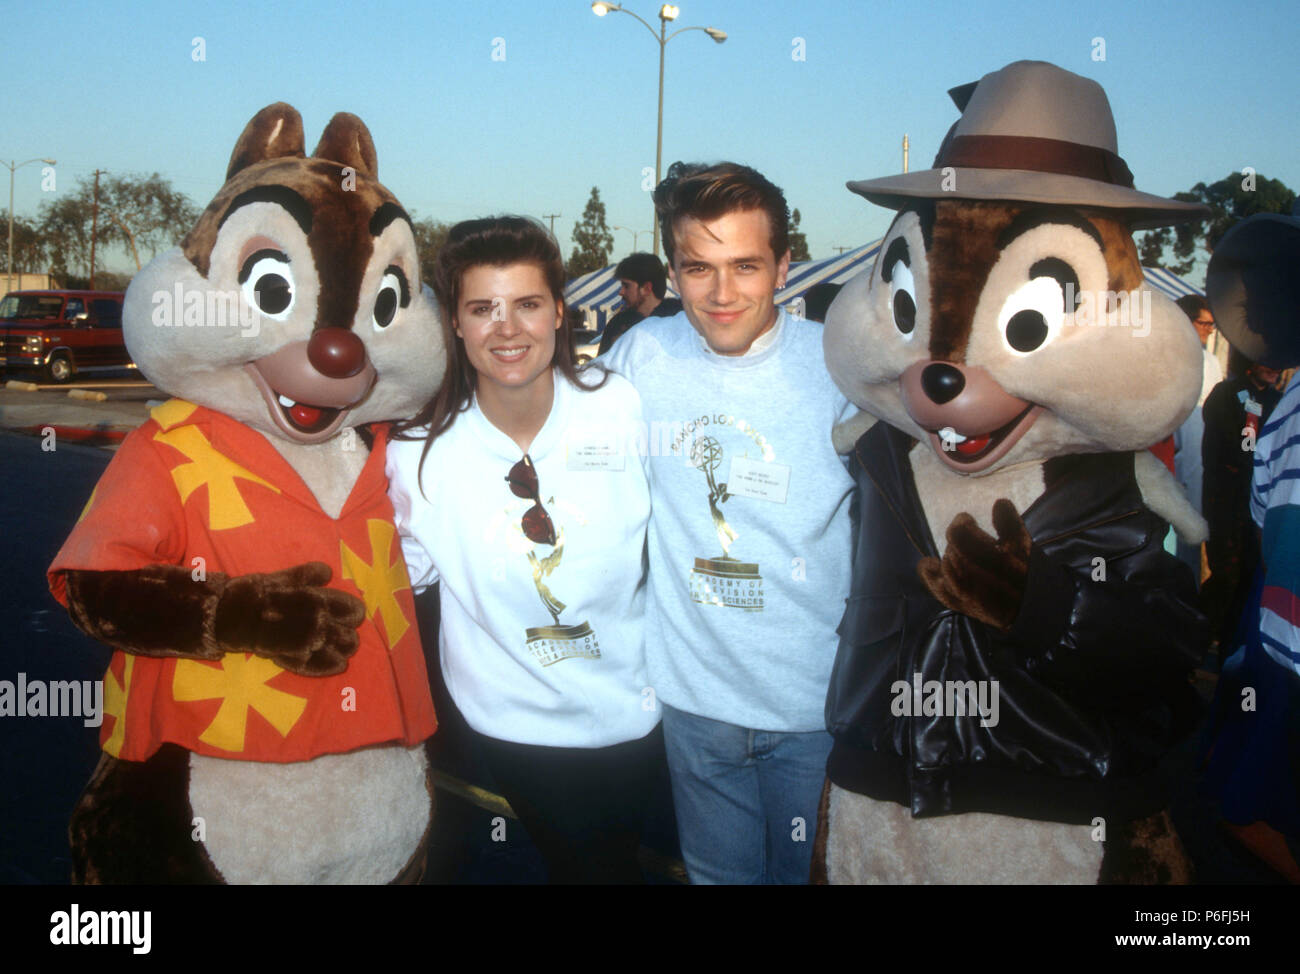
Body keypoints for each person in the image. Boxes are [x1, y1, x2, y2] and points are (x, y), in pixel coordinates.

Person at [601, 162, 855, 884]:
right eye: (697, 268)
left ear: (783, 266)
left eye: (745, 265)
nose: (720, 293)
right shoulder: (642, 355)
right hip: (695, 708)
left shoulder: (838, 365)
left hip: (818, 711)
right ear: (674, 271)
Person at [387, 216, 659, 883]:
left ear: (561, 311)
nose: (507, 328)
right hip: (516, 729)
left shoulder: (623, 409)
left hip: (643, 718)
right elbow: (392, 577)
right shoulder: (416, 455)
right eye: (482, 308)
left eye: (528, 304)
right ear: (453, 322)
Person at [1201, 349, 1283, 652]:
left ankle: (1230, 647)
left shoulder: (1278, 401)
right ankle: (1197, 637)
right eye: (1267, 360)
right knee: (1225, 574)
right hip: (1228, 499)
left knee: (1249, 575)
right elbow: (1222, 448)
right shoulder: (1228, 394)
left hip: (1259, 505)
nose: (1274, 367)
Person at [597, 252, 683, 355]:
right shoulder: (617, 325)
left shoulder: (681, 322)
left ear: (646, 288)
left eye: (626, 286)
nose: (621, 292)